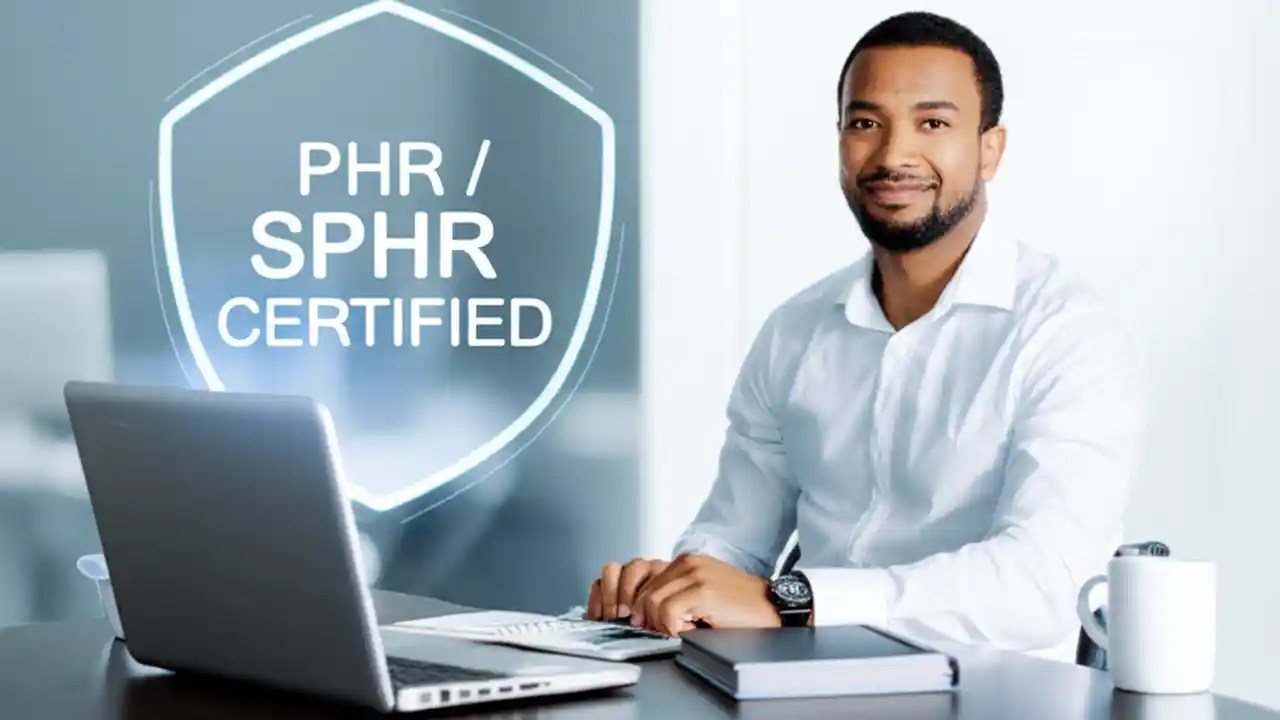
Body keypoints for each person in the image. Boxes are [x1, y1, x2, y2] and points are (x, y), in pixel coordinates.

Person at [586, 10, 1147, 660]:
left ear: (990, 148)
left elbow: (1042, 583)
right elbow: (733, 539)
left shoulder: (1068, 334)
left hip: (993, 696)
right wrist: (672, 589)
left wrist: (793, 602)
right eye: (865, 124)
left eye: (932, 123)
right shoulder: (796, 332)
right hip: (800, 688)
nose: (893, 156)